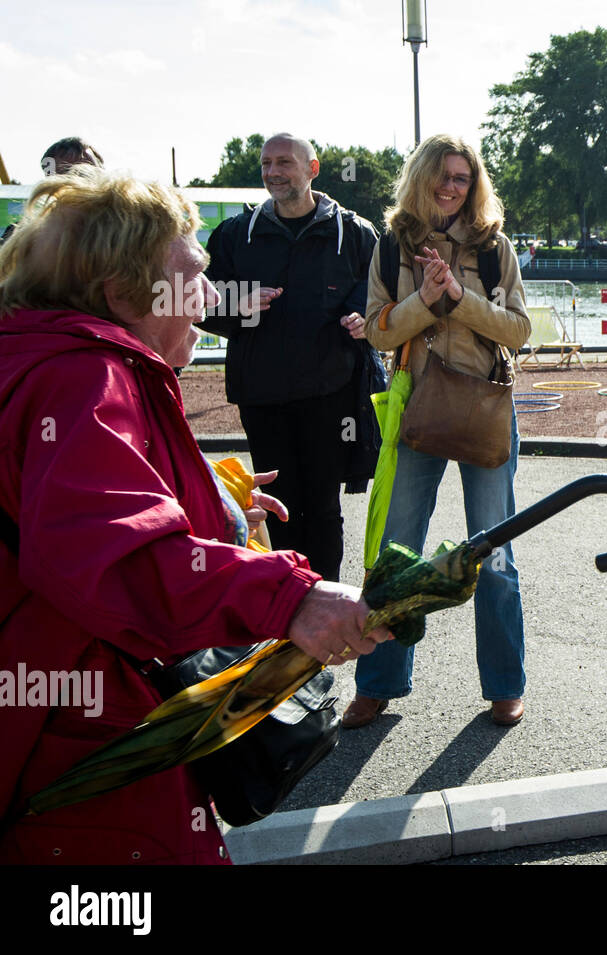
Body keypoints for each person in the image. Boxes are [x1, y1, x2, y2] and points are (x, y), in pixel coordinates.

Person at [0, 168, 391, 863]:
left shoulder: (42, 358)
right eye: (192, 276)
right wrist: (293, 597)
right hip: (81, 739)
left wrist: (209, 498)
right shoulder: (84, 375)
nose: (210, 298)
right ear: (121, 292)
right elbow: (122, 559)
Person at [347, 135, 531, 729]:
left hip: (482, 407)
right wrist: (424, 301)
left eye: (463, 178)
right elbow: (377, 331)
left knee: (495, 551)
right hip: (416, 409)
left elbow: (519, 330)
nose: (452, 187)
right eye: (443, 175)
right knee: (395, 549)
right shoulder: (390, 245)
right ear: (422, 177)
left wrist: (457, 296)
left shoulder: (495, 248)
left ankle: (505, 685)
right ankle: (377, 682)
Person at [202, 133, 379, 582]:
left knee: (322, 507)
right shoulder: (235, 233)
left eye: (284, 162)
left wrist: (366, 320)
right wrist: (238, 302)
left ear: (313, 169)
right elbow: (196, 300)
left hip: (331, 396)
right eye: (266, 164)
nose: (273, 172)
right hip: (262, 396)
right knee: (279, 509)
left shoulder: (355, 233)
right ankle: (288, 613)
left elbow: (381, 295)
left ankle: (327, 605)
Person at [0, 137, 104, 248]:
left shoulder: (120, 231)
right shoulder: (21, 236)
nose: (79, 181)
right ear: (49, 183)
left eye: (89, 172)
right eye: (68, 174)